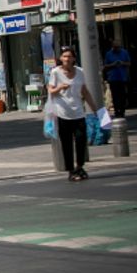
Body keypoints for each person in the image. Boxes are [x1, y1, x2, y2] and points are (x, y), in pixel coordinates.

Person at [47, 46, 98, 182]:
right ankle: (71, 170)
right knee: (67, 143)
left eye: (69, 56)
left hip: (78, 113)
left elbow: (85, 91)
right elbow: (50, 90)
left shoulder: (80, 72)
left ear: (74, 58)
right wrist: (60, 87)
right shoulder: (55, 72)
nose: (67, 59)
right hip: (62, 114)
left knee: (81, 141)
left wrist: (95, 109)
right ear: (60, 58)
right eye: (64, 56)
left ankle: (80, 166)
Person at [104, 38, 131, 118]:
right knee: (115, 96)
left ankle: (122, 111)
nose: (117, 49)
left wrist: (122, 63)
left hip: (122, 77)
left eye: (118, 47)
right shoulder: (109, 54)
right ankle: (117, 111)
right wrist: (113, 64)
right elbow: (106, 65)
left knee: (123, 95)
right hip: (113, 77)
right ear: (113, 47)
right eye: (115, 47)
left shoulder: (124, 52)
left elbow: (129, 63)